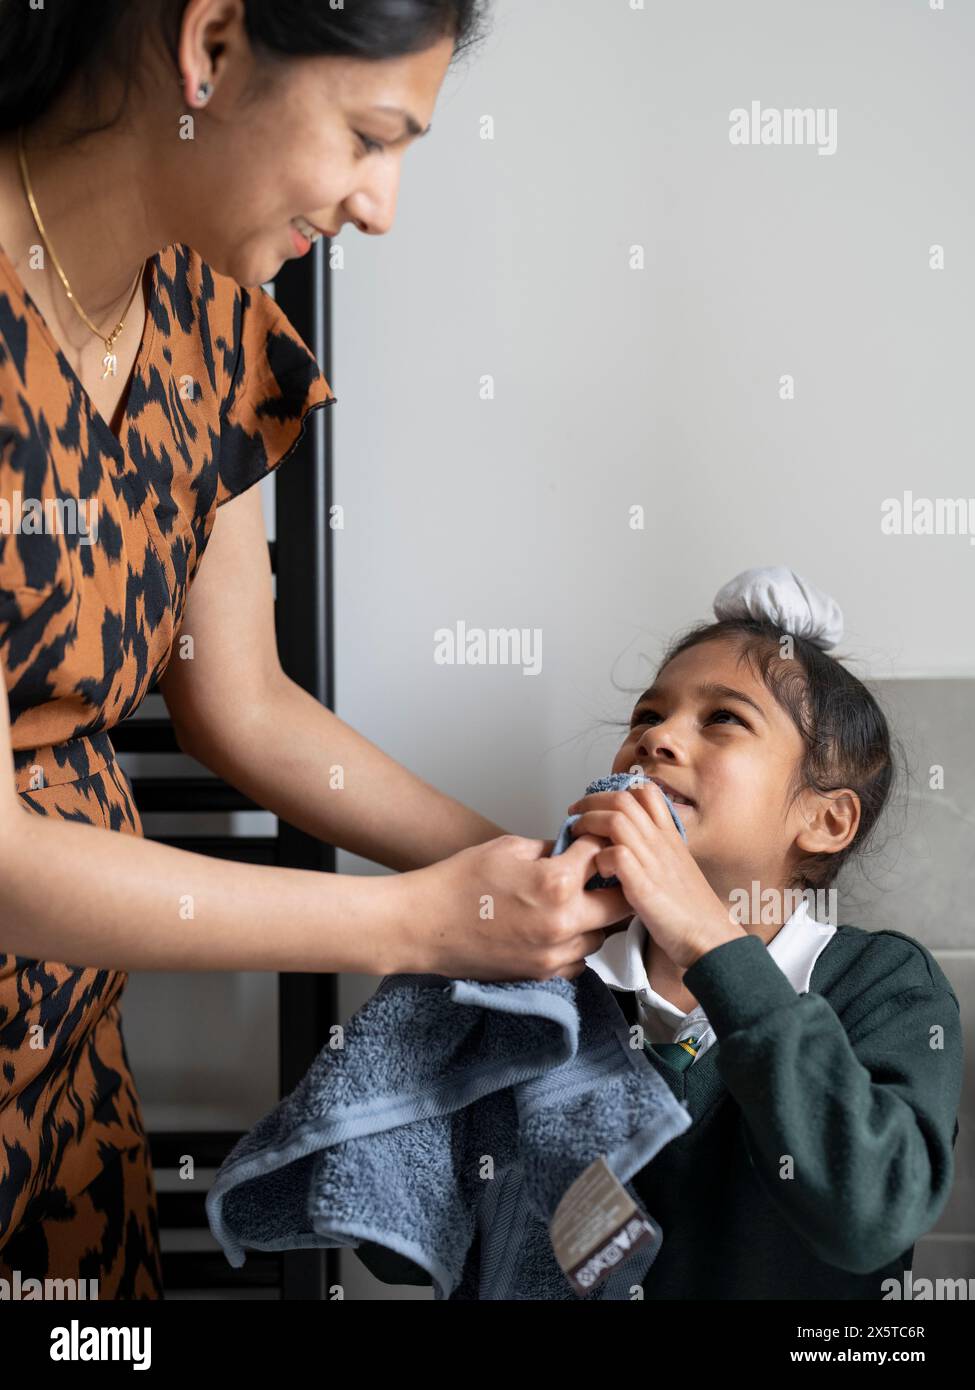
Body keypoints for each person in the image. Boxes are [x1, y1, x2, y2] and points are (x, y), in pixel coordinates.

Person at [0, 0, 631, 1298]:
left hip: (60, 1080)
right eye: (367, 136)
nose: (379, 205)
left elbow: (243, 701)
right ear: (212, 44)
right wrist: (414, 922)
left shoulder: (213, 318)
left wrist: (522, 874)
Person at [570, 566, 963, 1298]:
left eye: (721, 718)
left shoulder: (883, 984)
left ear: (823, 819)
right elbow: (402, 1247)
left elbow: (872, 1214)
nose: (655, 740)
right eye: (645, 717)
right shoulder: (554, 974)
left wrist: (712, 946)